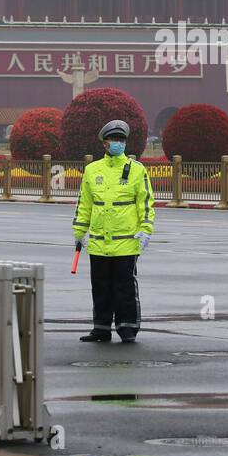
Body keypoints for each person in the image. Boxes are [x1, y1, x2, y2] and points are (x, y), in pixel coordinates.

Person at [72, 120, 154, 343]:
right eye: (114, 140)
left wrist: (146, 229)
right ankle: (101, 328)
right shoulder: (92, 170)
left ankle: (127, 328)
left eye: (121, 140)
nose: (118, 143)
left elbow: (145, 203)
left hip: (126, 242)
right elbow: (85, 204)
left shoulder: (137, 170)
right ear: (104, 144)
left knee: (124, 288)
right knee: (100, 287)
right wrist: (79, 231)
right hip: (99, 242)